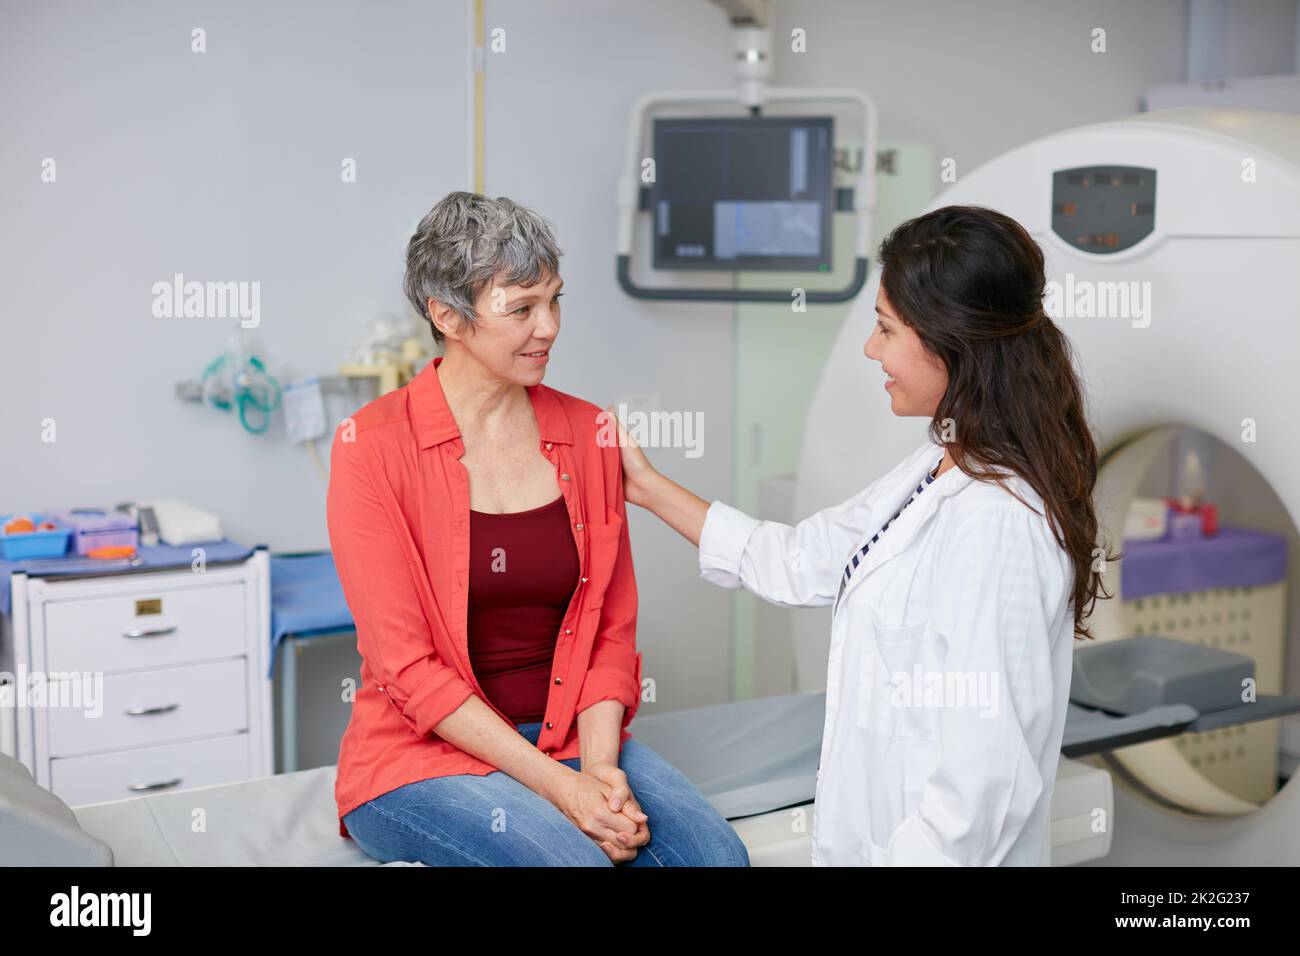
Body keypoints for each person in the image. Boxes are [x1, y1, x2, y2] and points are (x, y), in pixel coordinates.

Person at [607, 205, 1115, 866]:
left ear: (951, 340)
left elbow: (980, 789)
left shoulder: (997, 524)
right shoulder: (938, 466)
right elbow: (796, 559)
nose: (872, 349)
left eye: (886, 329)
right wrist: (643, 485)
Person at [328, 191, 748, 867]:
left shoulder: (588, 433)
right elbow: (405, 668)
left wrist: (601, 770)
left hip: (572, 738)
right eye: (521, 308)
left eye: (554, 300)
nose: (549, 326)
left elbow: (611, 631)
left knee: (717, 859)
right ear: (447, 316)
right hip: (421, 755)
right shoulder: (371, 447)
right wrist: (563, 790)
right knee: (574, 863)